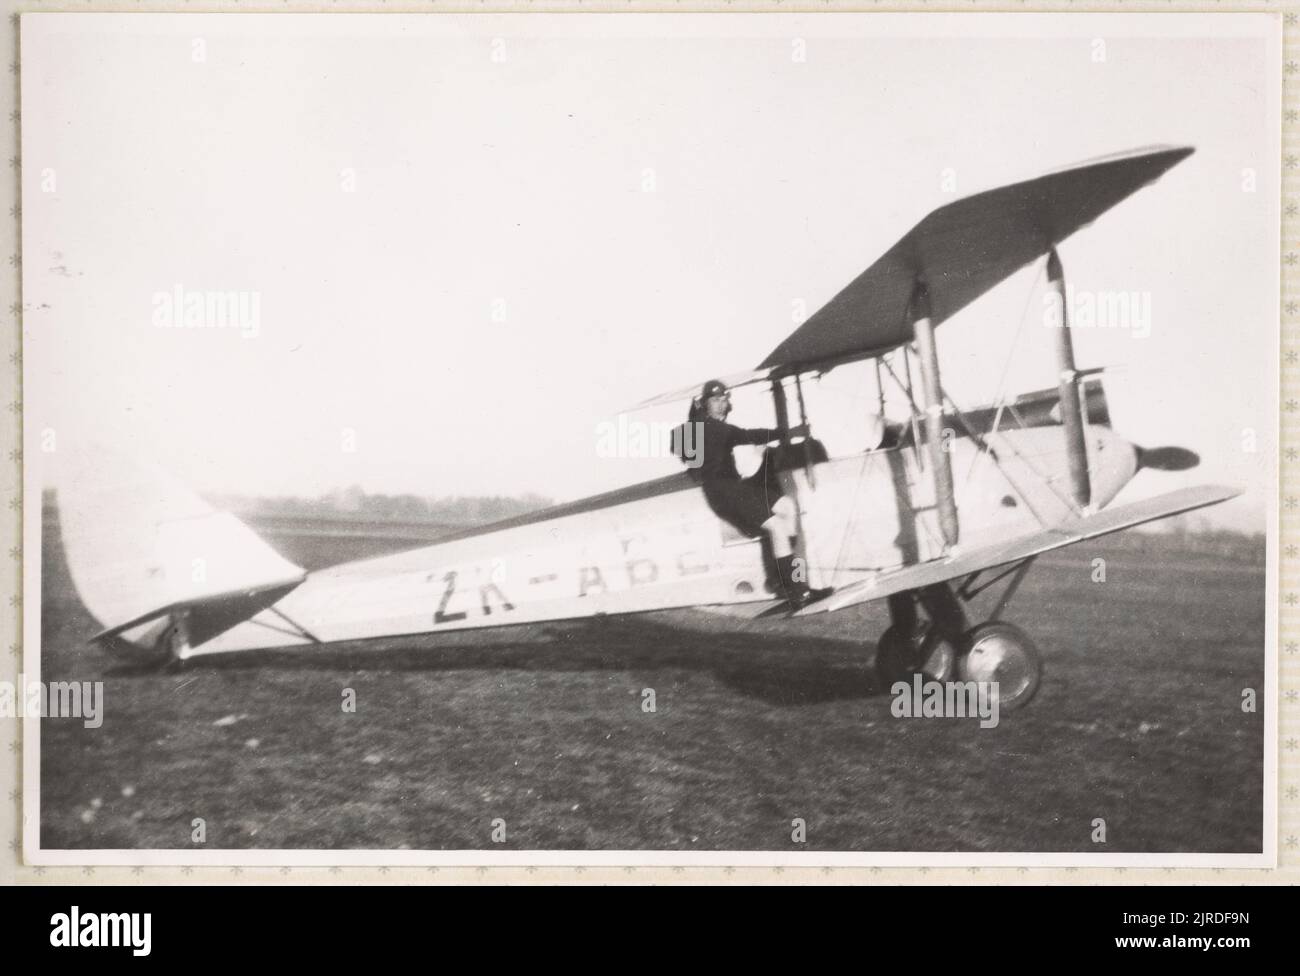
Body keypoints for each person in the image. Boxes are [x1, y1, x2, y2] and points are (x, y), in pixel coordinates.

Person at [686, 379, 830, 609]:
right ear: (705, 404)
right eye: (715, 400)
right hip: (723, 492)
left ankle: (787, 580)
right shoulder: (714, 429)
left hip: (733, 487)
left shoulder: (698, 427)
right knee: (778, 528)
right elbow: (748, 435)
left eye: (724, 399)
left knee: (788, 508)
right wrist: (787, 432)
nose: (721, 405)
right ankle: (797, 591)